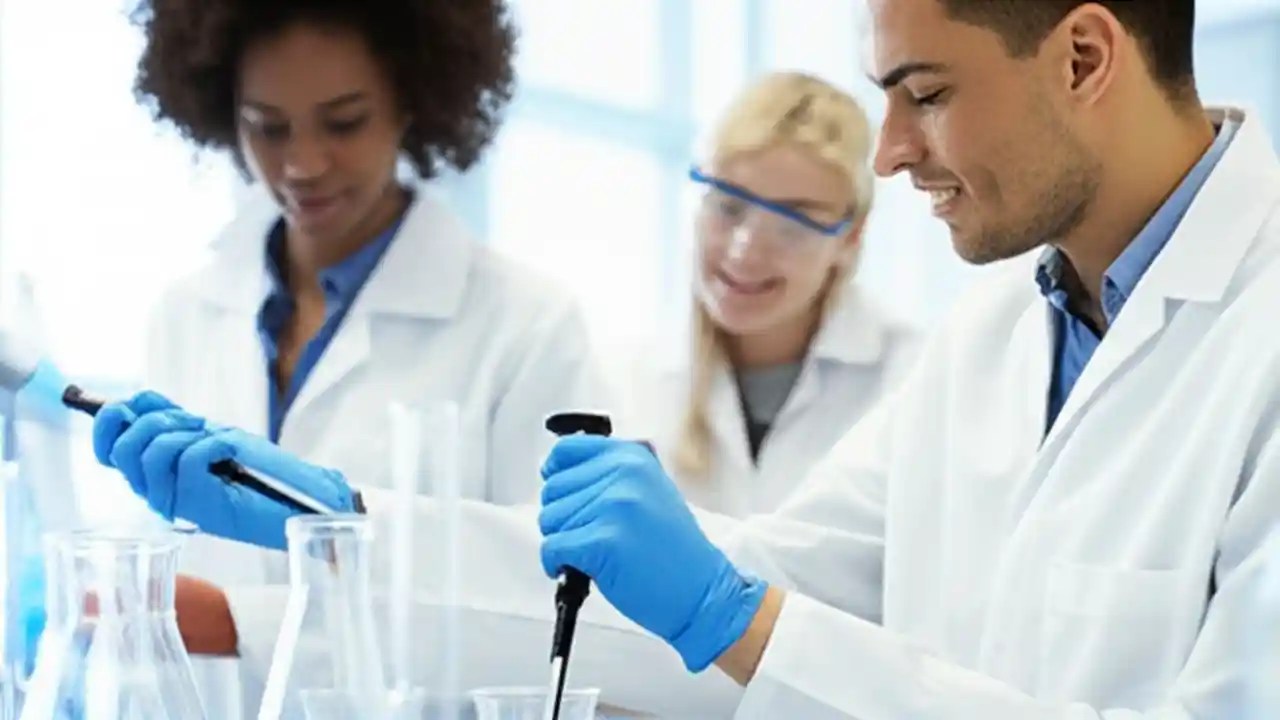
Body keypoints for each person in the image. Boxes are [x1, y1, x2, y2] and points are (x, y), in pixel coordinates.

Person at [94, 0, 1280, 717]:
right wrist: (335, 519)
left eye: (922, 94)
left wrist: (735, 619)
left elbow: (755, 618)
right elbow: (782, 578)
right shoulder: (999, 334)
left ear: (1082, 57)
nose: (889, 152)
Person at [107, 0, 610, 715]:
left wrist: (242, 624)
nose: (302, 164)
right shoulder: (187, 311)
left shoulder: (525, 324)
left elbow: (561, 613)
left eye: (344, 122)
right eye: (266, 126)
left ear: (413, 98)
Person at [621, 71, 920, 516]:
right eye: (728, 205)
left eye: (793, 224)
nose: (745, 251)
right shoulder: (623, 376)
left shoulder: (912, 379)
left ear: (850, 237)